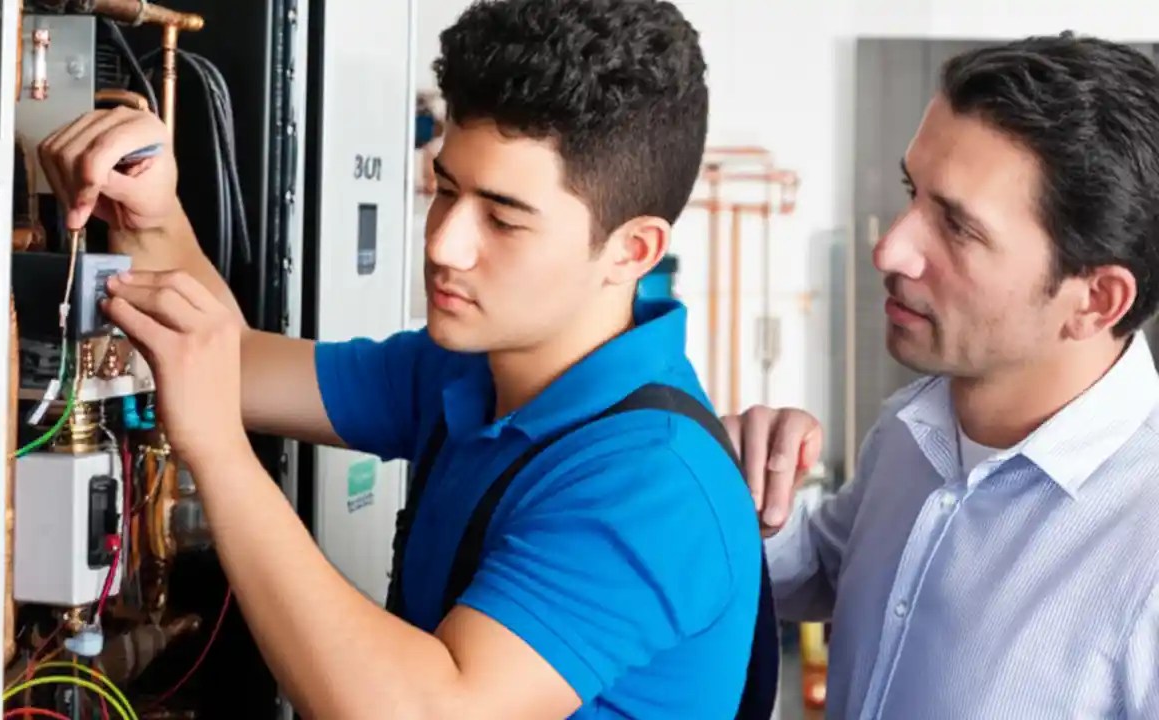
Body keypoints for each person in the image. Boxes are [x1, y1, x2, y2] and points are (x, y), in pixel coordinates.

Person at [38, 1, 767, 717]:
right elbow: (231, 363)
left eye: (504, 218)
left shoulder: (652, 480)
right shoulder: (468, 369)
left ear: (630, 251)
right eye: (446, 189)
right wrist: (152, 217)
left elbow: (423, 710)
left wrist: (221, 454)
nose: (444, 244)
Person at [726, 33, 1159, 719]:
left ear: (1096, 301)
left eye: (957, 227)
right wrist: (746, 491)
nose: (890, 246)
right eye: (912, 193)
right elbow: (824, 574)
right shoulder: (911, 427)